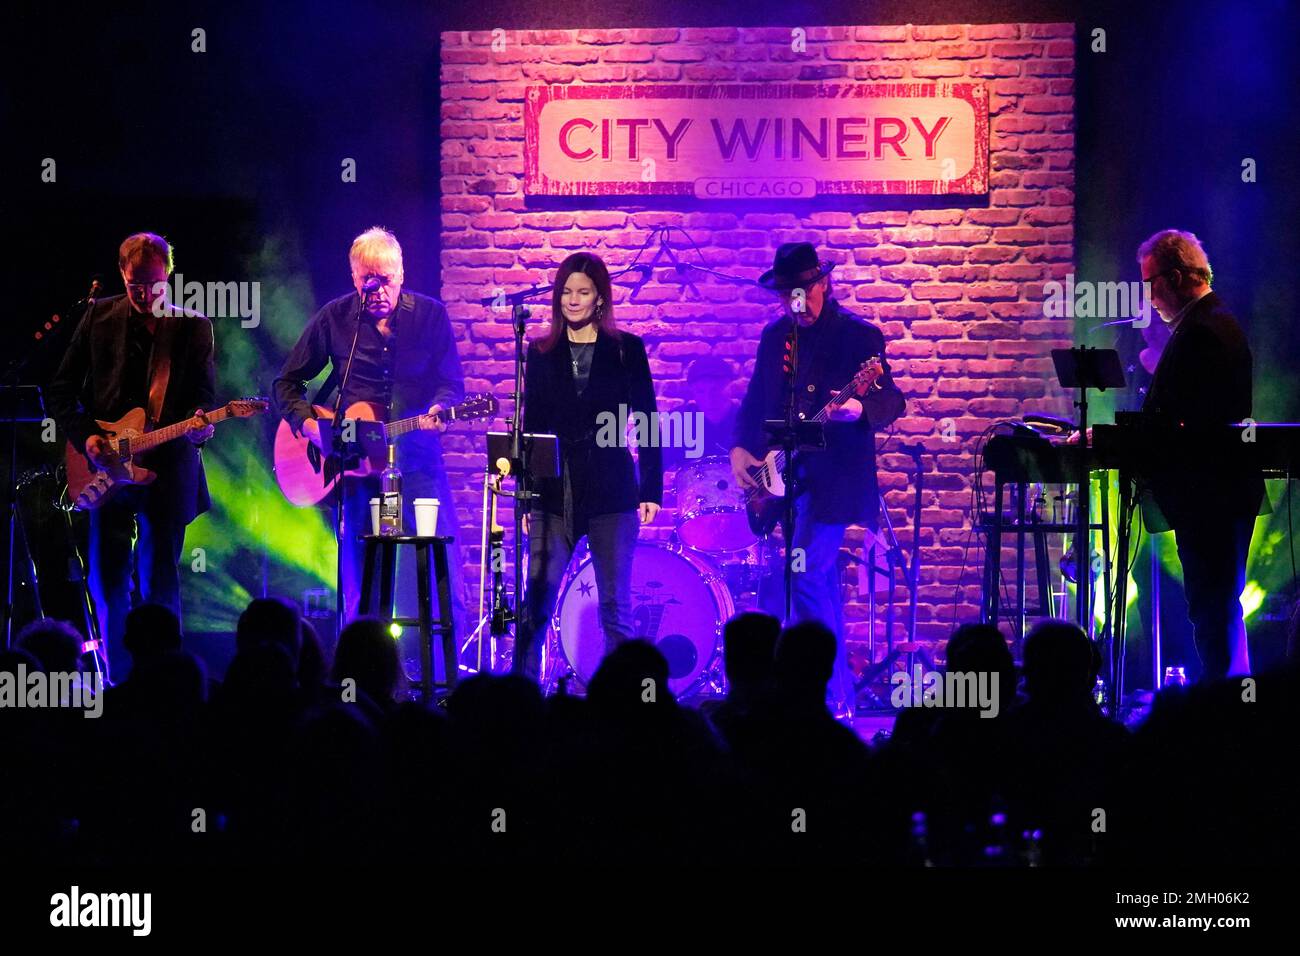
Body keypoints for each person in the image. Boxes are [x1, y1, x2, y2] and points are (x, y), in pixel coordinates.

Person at [273, 227, 468, 669]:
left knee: (438, 570)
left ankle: (441, 673)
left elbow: (452, 385)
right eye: (368, 280)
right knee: (360, 575)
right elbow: (287, 381)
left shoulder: (431, 317)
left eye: (385, 278)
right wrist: (307, 424)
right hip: (354, 466)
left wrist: (440, 408)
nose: (377, 288)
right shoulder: (335, 318)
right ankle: (360, 675)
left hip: (415, 463)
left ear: (401, 274)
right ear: (354, 278)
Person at [730, 242, 905, 718]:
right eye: (787, 294)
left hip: (833, 484)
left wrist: (858, 409)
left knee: (804, 575)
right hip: (783, 478)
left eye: (804, 291)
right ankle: (839, 701)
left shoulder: (858, 337)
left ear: (823, 283)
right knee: (816, 584)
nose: (797, 302)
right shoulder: (774, 338)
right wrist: (740, 449)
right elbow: (754, 401)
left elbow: (893, 403)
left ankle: (823, 696)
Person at [47, 232, 216, 683]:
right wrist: (87, 439)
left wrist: (201, 428)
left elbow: (204, 398)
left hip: (167, 469)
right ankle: (118, 680)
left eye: (155, 285)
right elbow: (60, 390)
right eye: (135, 285)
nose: (145, 295)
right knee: (108, 581)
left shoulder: (193, 327)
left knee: (161, 580)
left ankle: (167, 683)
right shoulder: (99, 316)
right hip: (106, 468)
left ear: (169, 276)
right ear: (122, 275)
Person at [514, 252, 662, 681]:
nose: (572, 300)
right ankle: (520, 700)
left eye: (582, 292)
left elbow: (647, 419)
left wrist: (650, 487)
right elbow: (531, 426)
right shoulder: (540, 352)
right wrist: (526, 499)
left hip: (612, 491)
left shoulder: (625, 350)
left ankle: (626, 705)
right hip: (552, 493)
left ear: (600, 298)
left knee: (615, 607)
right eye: (566, 292)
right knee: (535, 603)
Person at [1137, 229, 1264, 679]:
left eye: (1150, 283)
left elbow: (1192, 419)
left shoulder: (1202, 330)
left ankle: (1225, 713)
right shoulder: (1213, 321)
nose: (1148, 296)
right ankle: (1229, 704)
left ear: (1174, 278)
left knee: (1211, 605)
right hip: (1220, 490)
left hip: (1211, 491)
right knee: (1217, 604)